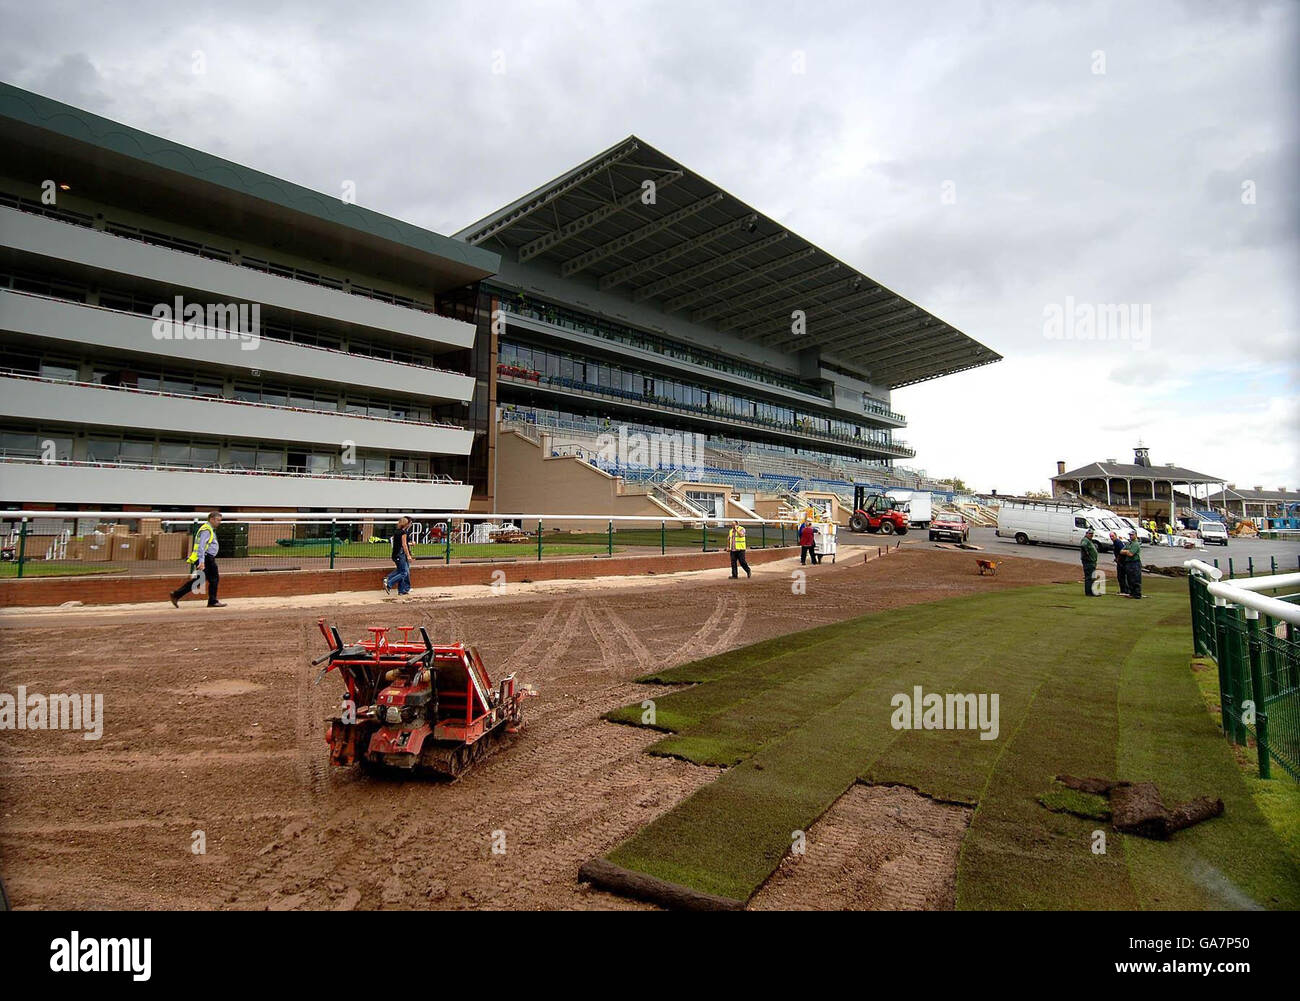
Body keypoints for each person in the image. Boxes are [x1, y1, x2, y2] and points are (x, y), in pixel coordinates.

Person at [170, 511, 224, 608]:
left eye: (220, 520)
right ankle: (212, 601)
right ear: (211, 519)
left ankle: (177, 594)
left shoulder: (208, 529)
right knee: (214, 579)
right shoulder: (206, 530)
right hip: (207, 558)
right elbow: (201, 547)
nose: (219, 522)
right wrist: (202, 561)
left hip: (207, 558)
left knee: (202, 580)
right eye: (217, 520)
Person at [384, 516, 413, 596]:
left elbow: (399, 543)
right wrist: (408, 555)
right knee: (404, 572)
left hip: (396, 554)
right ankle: (389, 583)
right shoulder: (403, 533)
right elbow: (404, 545)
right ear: (406, 524)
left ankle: (401, 590)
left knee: (402, 571)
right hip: (400, 554)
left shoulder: (397, 531)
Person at [1120, 530, 1143, 598]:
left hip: (1134, 563)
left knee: (1135, 578)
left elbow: (1130, 554)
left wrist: (1126, 551)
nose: (1131, 536)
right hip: (1128, 563)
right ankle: (1132, 593)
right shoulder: (1129, 544)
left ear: (1136, 535)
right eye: (1130, 535)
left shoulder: (1136, 544)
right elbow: (1121, 551)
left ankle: (1137, 594)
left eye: (1132, 535)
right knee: (1129, 578)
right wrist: (1127, 551)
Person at [1109, 531, 1129, 595]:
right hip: (1120, 561)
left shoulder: (1118, 542)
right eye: (1110, 536)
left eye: (1112, 536)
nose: (1111, 537)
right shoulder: (1115, 542)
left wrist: (1118, 558)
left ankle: (1125, 590)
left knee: (1121, 576)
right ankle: (1123, 590)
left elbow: (1122, 552)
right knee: (1120, 576)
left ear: (1116, 536)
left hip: (1122, 562)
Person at [1080, 529, 1098, 596]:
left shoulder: (1089, 540)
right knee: (1089, 577)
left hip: (1091, 562)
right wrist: (1086, 553)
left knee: (1091, 577)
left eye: (1092, 534)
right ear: (1086, 534)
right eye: (1090, 534)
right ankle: (1089, 592)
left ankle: (1090, 592)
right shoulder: (1085, 540)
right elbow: (1083, 545)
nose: (1091, 535)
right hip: (1088, 562)